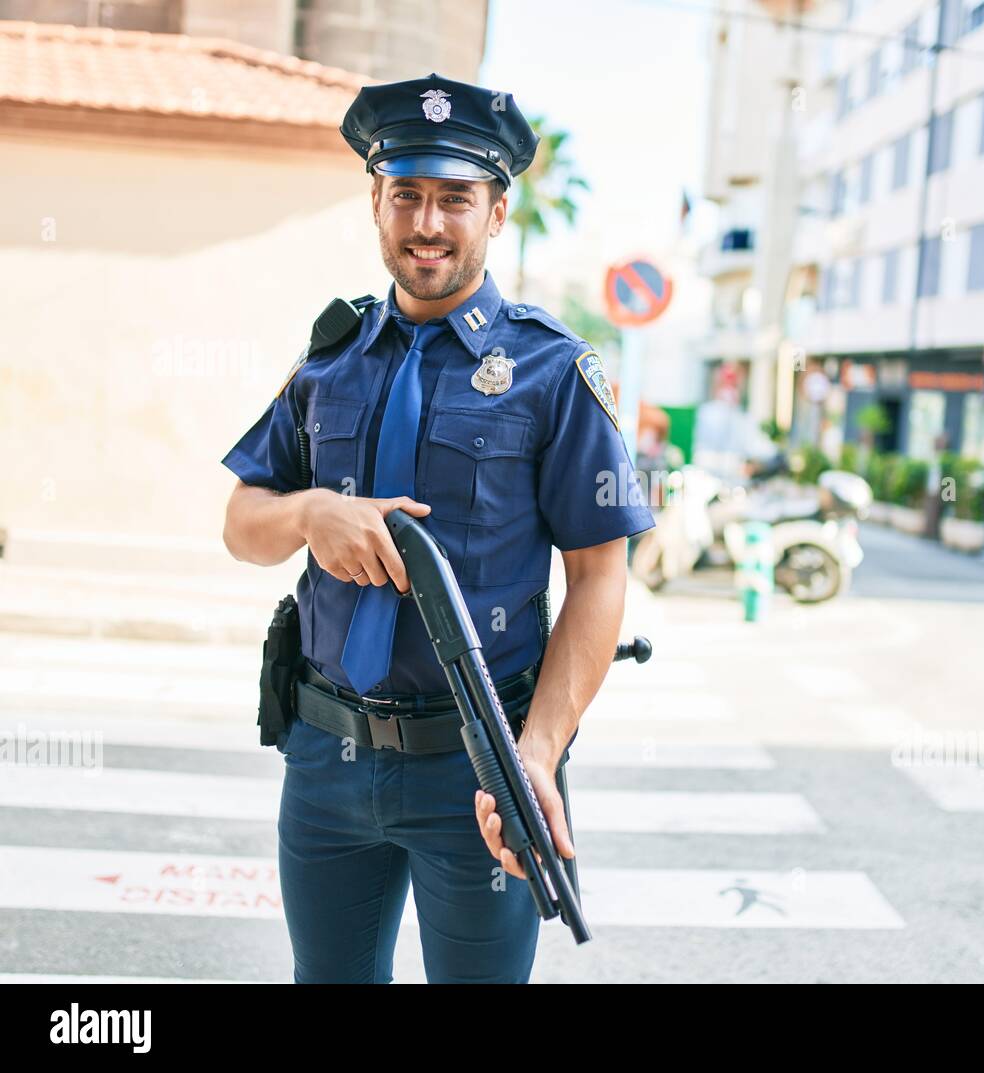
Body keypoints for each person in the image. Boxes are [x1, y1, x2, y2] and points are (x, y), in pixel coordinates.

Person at [219, 72, 655, 984]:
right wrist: (308, 513)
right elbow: (243, 525)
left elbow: (601, 577)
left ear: (496, 213)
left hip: (481, 774)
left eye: (455, 197)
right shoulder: (327, 362)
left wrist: (533, 755)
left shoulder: (552, 370)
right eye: (406, 194)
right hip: (325, 763)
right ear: (375, 203)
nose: (427, 222)